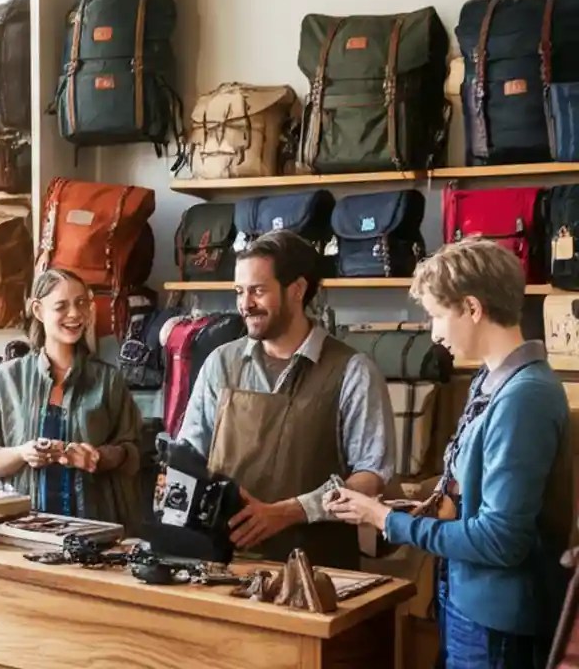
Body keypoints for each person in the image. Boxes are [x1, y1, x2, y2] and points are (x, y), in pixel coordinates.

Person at [327, 239, 572, 668]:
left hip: (496, 623)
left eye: (438, 315)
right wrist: (398, 508)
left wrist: (385, 520)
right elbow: (471, 500)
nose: (434, 333)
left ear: (472, 308)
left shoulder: (524, 398)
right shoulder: (490, 380)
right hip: (467, 603)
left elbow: (501, 541)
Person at [177, 229, 394, 570]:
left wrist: (290, 511)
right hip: (225, 566)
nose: (245, 304)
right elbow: (188, 454)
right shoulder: (220, 363)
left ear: (297, 290)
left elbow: (370, 477)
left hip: (319, 571)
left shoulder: (353, 371)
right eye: (239, 291)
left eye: (258, 290)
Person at [0, 267, 143, 532]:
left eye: (81, 303)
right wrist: (22, 453)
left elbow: (133, 453)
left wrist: (97, 457)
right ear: (38, 310)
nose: (75, 314)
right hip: (21, 531)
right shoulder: (6, 378)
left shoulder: (108, 380)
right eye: (61, 306)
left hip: (93, 532)